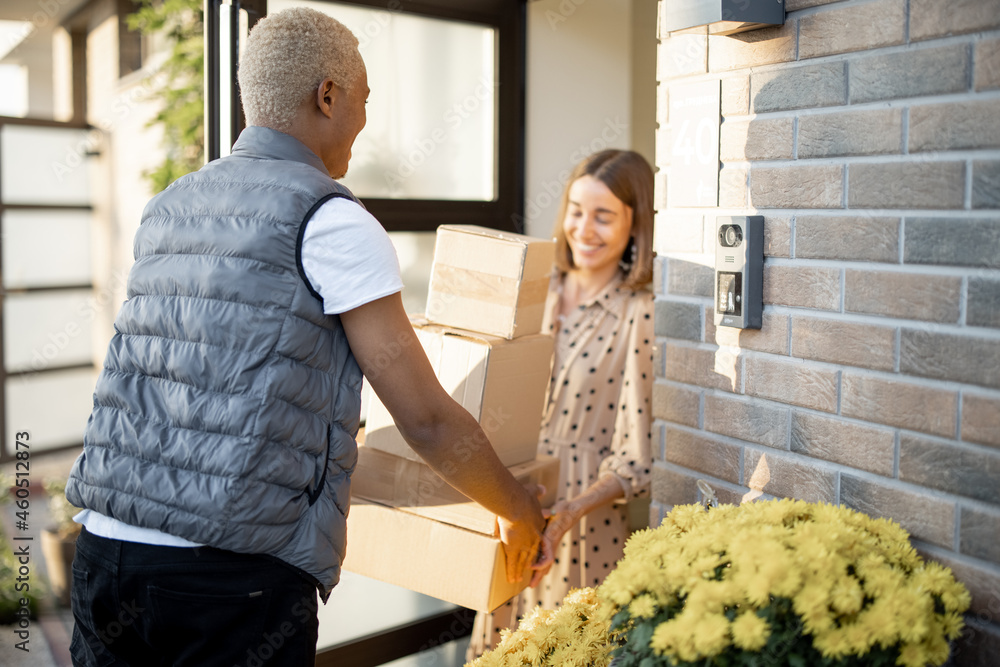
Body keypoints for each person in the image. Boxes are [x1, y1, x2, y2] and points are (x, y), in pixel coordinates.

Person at [64, 8, 544, 666]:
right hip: (226, 582)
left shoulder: (170, 202)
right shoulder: (331, 219)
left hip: (104, 557)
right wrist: (520, 508)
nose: (366, 120)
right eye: (364, 100)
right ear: (328, 95)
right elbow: (427, 418)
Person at [467, 149, 656, 659]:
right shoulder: (537, 291)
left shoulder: (639, 313)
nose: (584, 228)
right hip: (510, 507)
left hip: (583, 529)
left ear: (636, 225)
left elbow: (638, 458)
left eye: (604, 215)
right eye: (576, 210)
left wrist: (569, 512)